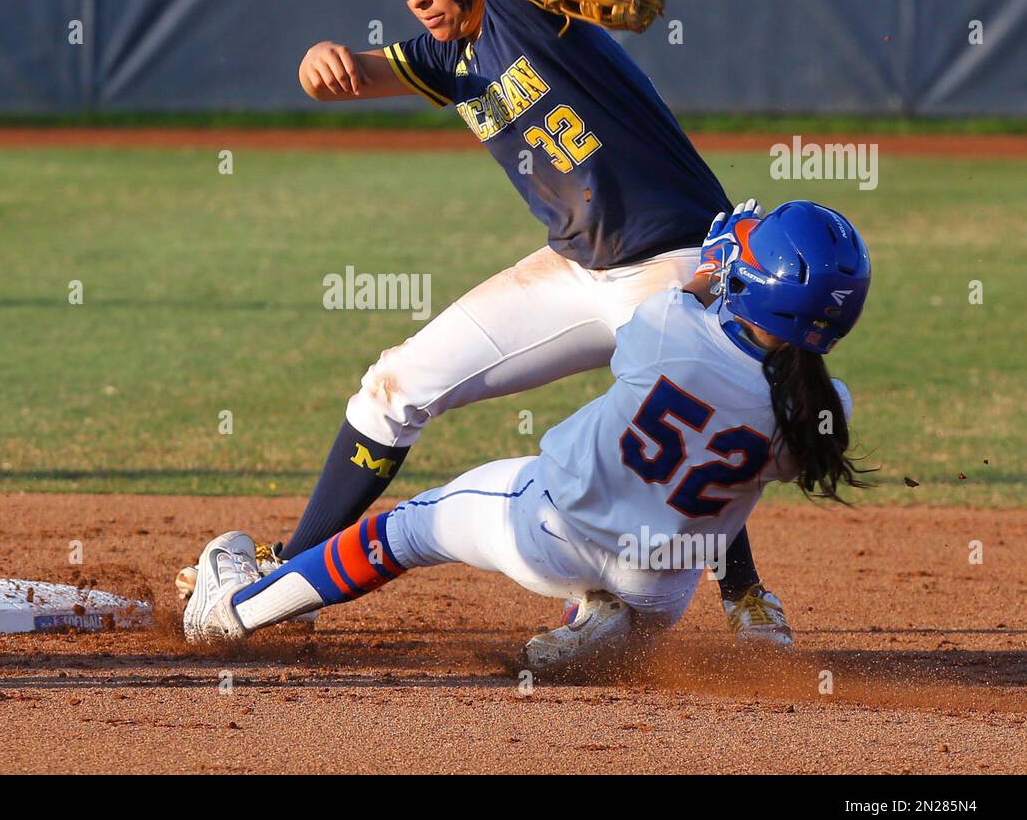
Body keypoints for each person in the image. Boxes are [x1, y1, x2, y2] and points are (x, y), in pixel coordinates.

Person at [179, 0, 787, 642]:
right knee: (394, 386)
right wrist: (320, 62)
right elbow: (362, 73)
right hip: (573, 268)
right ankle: (290, 568)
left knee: (690, 403)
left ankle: (748, 597)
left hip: (676, 260)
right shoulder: (448, 51)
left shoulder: (512, 2)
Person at [183, 201, 872, 672]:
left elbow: (691, 294)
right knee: (661, 541)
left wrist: (712, 267)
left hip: (544, 531)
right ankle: (605, 621)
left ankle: (233, 611)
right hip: (662, 586)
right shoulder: (821, 407)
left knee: (397, 534)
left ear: (755, 283)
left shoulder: (668, 325)